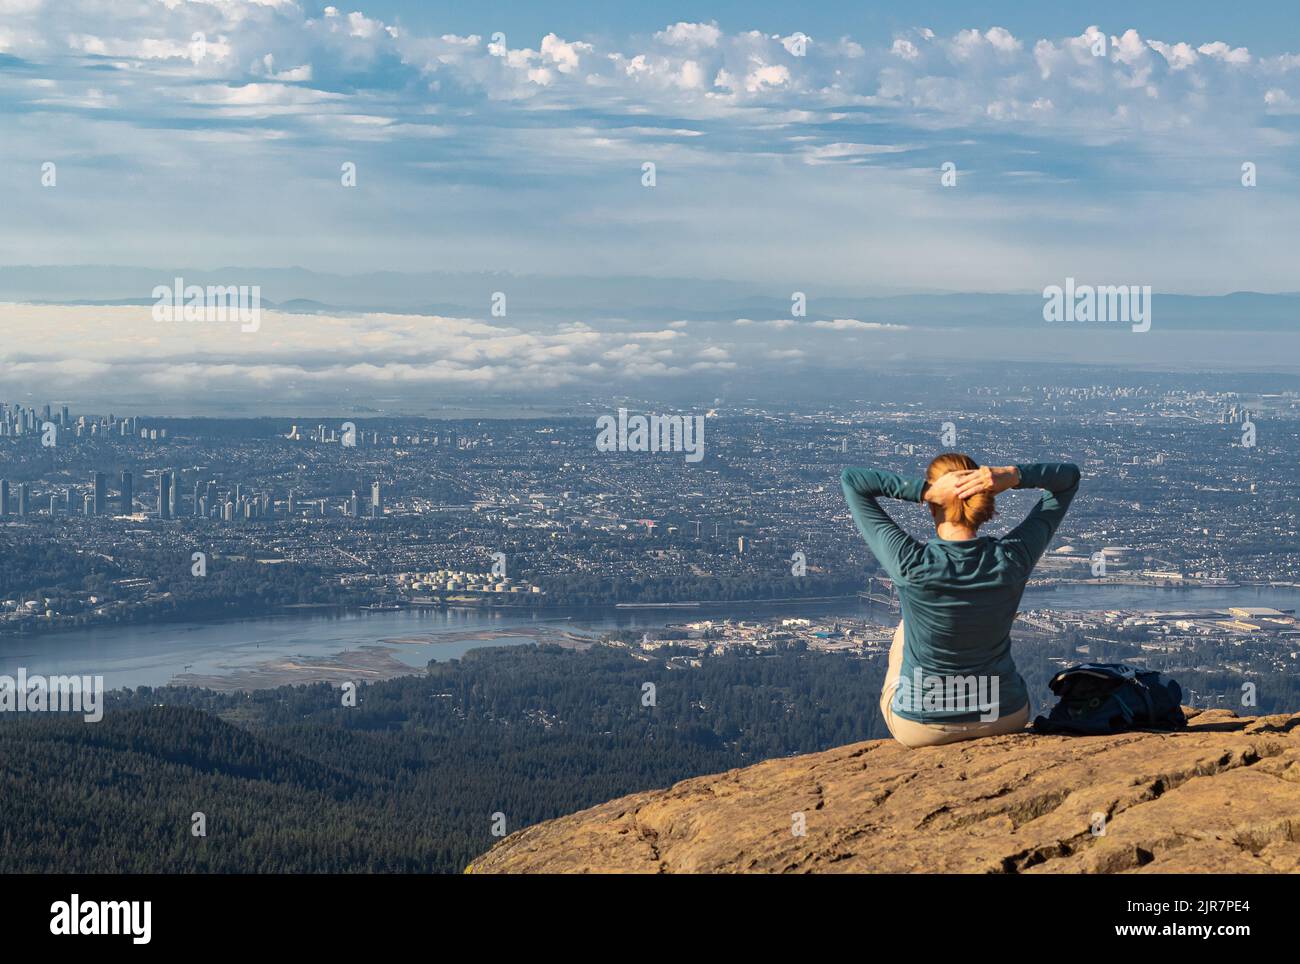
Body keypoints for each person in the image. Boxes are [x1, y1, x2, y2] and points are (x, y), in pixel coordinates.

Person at [840, 454, 1081, 748]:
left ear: (932, 506)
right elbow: (1068, 479)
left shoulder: (911, 563)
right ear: (986, 501)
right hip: (1002, 717)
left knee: (906, 627)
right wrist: (1013, 475)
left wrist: (922, 489)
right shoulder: (1012, 558)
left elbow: (852, 480)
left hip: (922, 726)